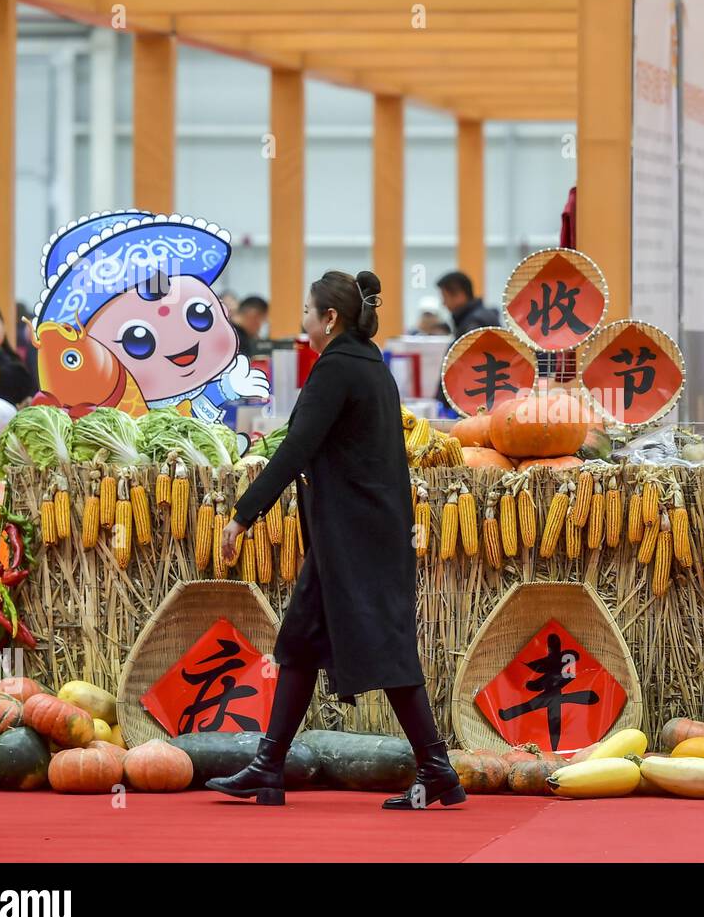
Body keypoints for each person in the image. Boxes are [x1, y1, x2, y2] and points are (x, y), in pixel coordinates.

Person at [207, 270, 465, 810]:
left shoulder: (337, 368)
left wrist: (242, 516)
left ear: (329, 318)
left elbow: (296, 449)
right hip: (361, 533)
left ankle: (437, 767)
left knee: (390, 653)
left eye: (306, 310)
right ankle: (270, 767)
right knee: (299, 642)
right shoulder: (371, 366)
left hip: (355, 537)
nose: (300, 320)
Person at [434, 271, 499, 404]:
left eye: (445, 297)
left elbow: (467, 370)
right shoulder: (476, 319)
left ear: (459, 295)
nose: (443, 304)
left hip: (476, 403)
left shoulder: (474, 325)